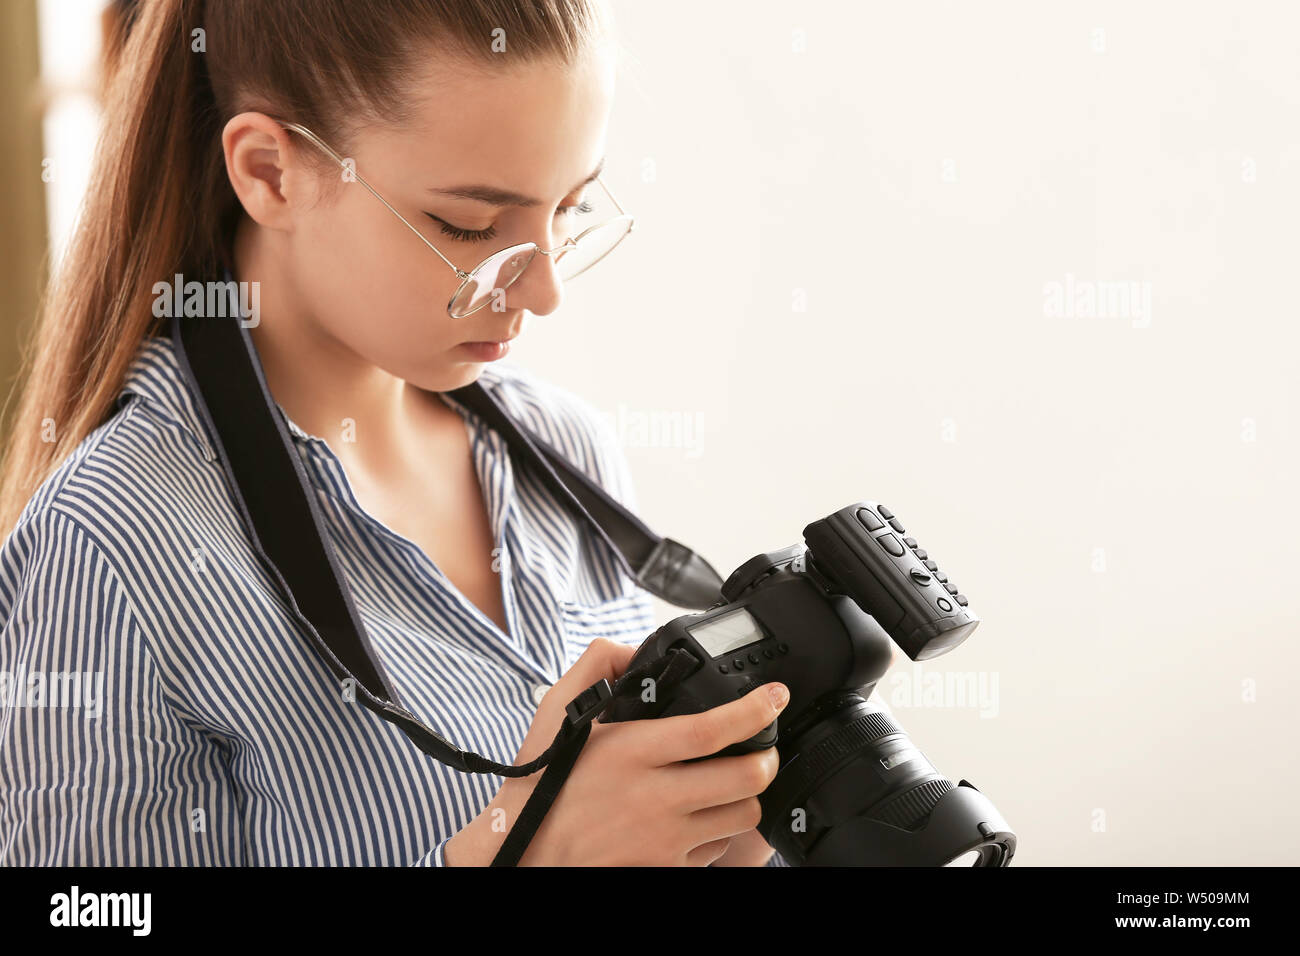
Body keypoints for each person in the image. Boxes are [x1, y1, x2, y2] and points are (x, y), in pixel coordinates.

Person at [0, 0, 789, 866]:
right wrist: (517, 858)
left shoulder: (567, 448)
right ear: (270, 172)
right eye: (470, 226)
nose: (544, 292)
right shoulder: (111, 544)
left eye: (568, 207)